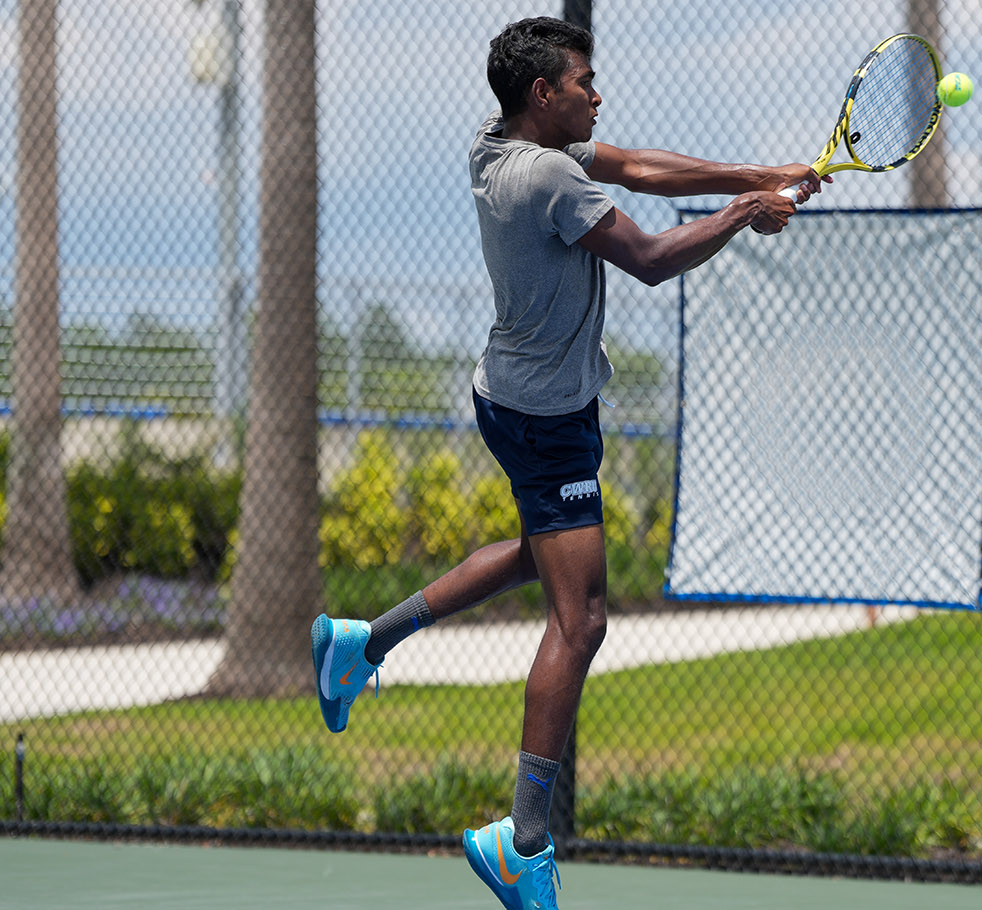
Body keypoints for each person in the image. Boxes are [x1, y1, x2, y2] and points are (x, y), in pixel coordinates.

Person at [309, 15, 821, 910]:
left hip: (511, 395)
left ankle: (361, 643)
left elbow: (632, 166)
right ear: (544, 94)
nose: (597, 91)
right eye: (585, 80)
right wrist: (745, 213)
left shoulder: (497, 142)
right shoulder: (547, 177)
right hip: (548, 418)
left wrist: (758, 174)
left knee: (539, 550)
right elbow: (653, 260)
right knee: (580, 621)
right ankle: (524, 839)